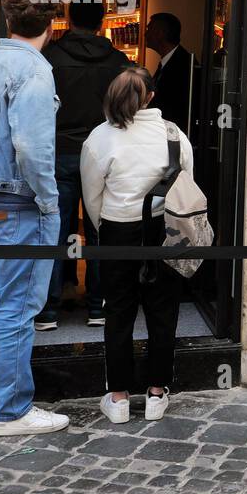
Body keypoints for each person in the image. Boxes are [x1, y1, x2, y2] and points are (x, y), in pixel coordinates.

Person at [0, 0, 69, 437]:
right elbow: (31, 144)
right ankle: (11, 410)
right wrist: (48, 199)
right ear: (52, 23)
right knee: (17, 307)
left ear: (10, 19)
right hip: (18, 201)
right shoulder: (35, 70)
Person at [81, 67, 193, 423]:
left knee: (118, 311)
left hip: (119, 228)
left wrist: (102, 227)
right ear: (151, 96)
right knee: (163, 312)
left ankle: (118, 397)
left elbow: (91, 195)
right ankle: (157, 393)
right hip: (165, 231)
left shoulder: (100, 138)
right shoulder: (175, 135)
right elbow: (188, 187)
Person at [36, 0, 131, 330]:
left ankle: (47, 310)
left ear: (69, 19)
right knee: (99, 231)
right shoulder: (119, 62)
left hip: (58, 151)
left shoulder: (49, 58)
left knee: (55, 230)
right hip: (101, 153)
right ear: (102, 21)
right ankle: (97, 307)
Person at [144, 11, 194, 135]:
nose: (145, 34)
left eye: (149, 29)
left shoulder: (182, 65)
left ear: (161, 33)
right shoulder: (169, 62)